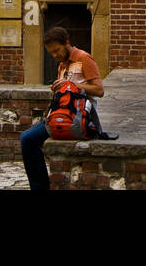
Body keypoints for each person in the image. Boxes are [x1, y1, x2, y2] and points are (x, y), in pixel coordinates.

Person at [20, 26, 104, 190]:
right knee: (27, 139)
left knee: (28, 139)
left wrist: (71, 84)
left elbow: (99, 90)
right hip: (64, 113)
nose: (55, 55)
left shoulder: (84, 58)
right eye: (51, 53)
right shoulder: (62, 65)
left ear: (67, 43)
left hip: (82, 117)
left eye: (57, 50)